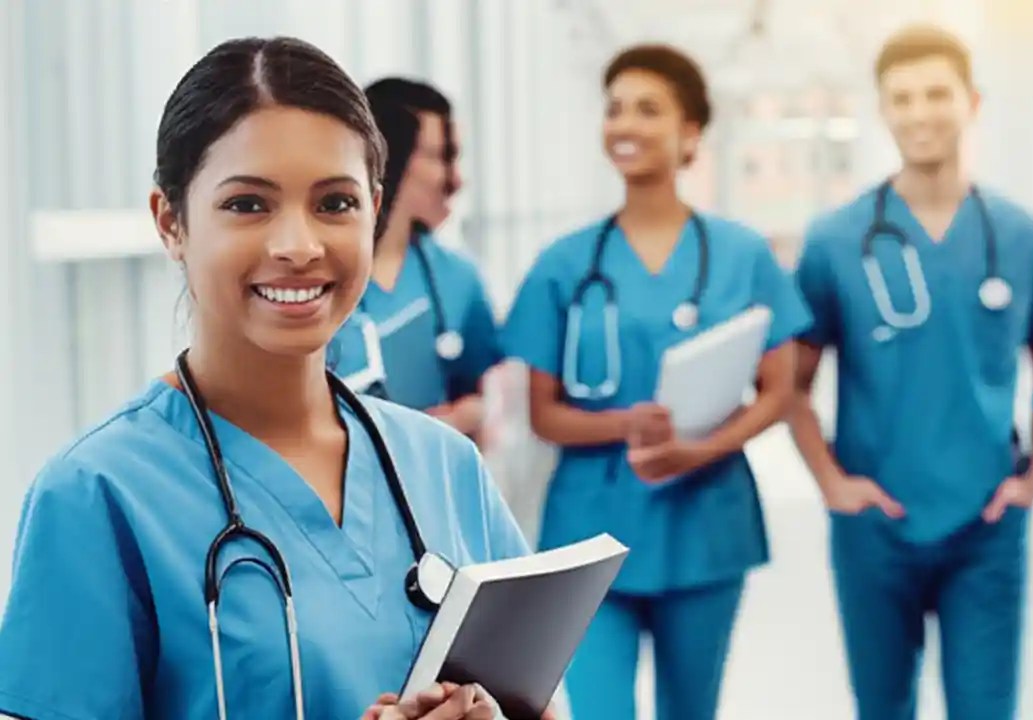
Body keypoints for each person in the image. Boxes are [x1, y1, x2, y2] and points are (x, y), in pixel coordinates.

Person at [0, 37, 551, 720]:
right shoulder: (98, 496)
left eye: (335, 203)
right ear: (171, 221)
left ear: (376, 211)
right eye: (248, 205)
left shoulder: (445, 467)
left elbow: (543, 704)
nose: (299, 245)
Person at [501, 44, 811, 720]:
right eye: (614, 109)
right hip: (590, 534)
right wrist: (626, 426)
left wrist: (700, 450)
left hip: (707, 523)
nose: (625, 124)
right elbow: (545, 414)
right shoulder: (565, 263)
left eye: (648, 108)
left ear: (690, 132)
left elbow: (780, 389)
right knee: (601, 709)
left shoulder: (741, 254)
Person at [788, 24, 1033, 720]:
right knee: (882, 708)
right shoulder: (835, 239)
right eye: (903, 97)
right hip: (875, 523)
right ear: (883, 110)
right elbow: (787, 385)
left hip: (986, 522)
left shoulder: (1022, 235)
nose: (921, 112)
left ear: (972, 102)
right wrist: (831, 481)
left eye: (937, 93)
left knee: (987, 707)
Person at [328, 77, 502, 440]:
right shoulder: (313, 275)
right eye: (443, 156)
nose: (456, 180)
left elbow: (482, 406)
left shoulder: (458, 279)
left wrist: (471, 416)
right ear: (389, 154)